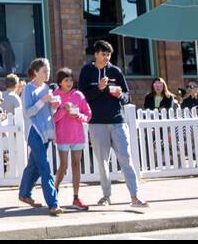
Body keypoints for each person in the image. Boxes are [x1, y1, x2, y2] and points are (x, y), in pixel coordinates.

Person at [79, 40, 146, 208]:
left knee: (126, 158)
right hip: (96, 122)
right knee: (102, 162)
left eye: (109, 54)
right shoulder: (87, 71)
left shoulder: (115, 71)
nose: (106, 57)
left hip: (117, 121)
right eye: (103, 54)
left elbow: (127, 96)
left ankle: (135, 196)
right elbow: (82, 97)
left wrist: (120, 96)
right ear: (95, 54)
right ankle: (106, 196)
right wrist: (99, 88)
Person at [16, 58, 62, 216]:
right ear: (35, 72)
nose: (47, 73)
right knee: (44, 166)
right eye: (45, 70)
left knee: (34, 165)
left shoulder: (47, 88)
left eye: (48, 70)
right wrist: (43, 101)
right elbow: (28, 112)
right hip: (34, 132)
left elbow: (48, 113)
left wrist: (54, 106)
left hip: (46, 131)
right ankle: (53, 203)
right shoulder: (28, 89)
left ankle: (24, 194)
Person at [51, 67, 91, 210]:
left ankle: (76, 197)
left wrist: (78, 116)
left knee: (76, 165)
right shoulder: (55, 95)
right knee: (63, 166)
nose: (69, 83)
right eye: (66, 80)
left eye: (71, 80)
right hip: (62, 136)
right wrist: (63, 110)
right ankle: (54, 192)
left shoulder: (79, 95)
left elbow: (88, 114)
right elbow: (52, 119)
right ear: (60, 82)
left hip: (77, 136)